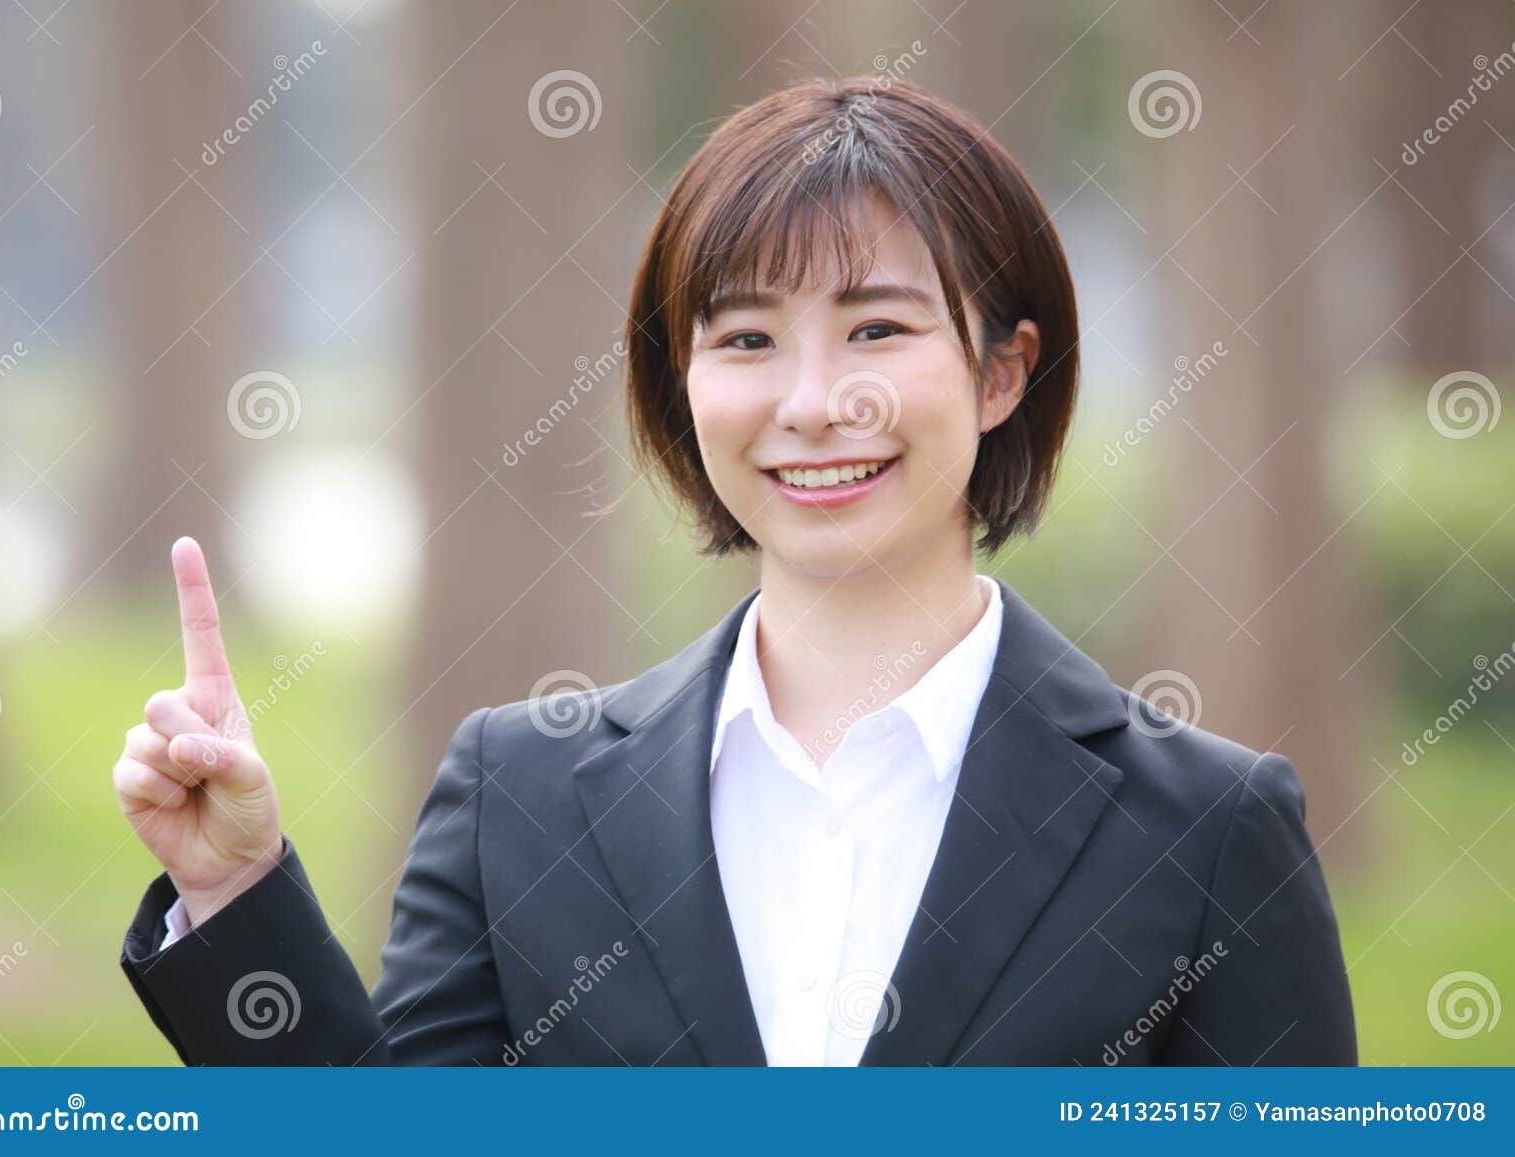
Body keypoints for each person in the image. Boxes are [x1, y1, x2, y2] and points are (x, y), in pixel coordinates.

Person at [114, 75, 1357, 1066]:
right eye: (748, 338)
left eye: (876, 327)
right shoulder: (520, 799)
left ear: (998, 371)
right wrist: (232, 892)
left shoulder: (1203, 829)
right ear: (685, 383)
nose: (814, 403)